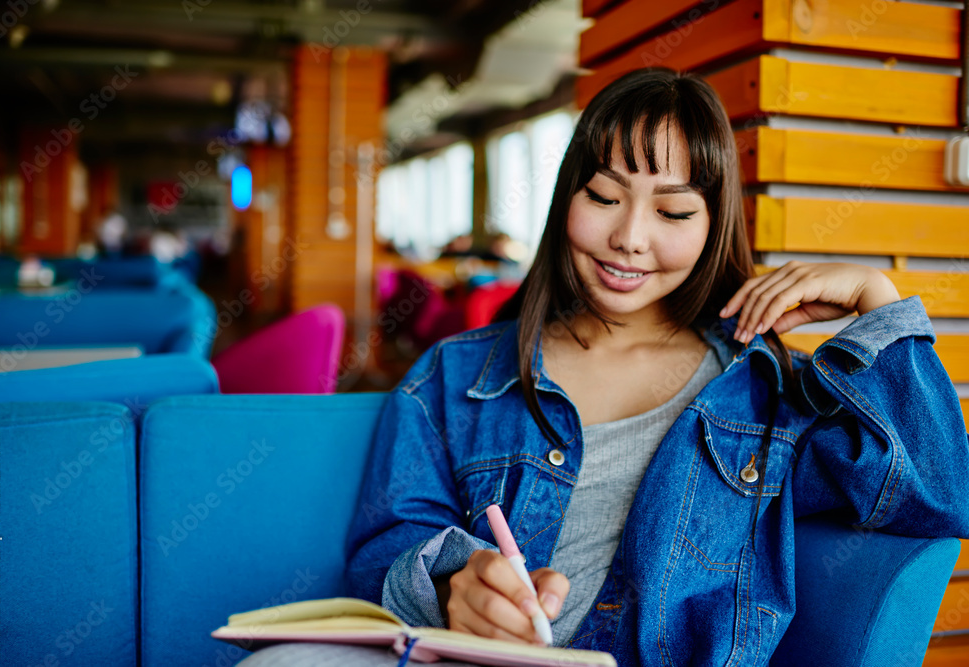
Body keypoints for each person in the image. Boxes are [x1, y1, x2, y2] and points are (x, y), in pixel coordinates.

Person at [241, 68, 969, 666]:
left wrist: (878, 304)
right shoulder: (453, 376)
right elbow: (388, 541)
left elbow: (936, 496)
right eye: (604, 197)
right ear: (568, 199)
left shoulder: (765, 393)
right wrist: (455, 580)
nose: (629, 238)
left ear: (715, 226)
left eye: (674, 212)